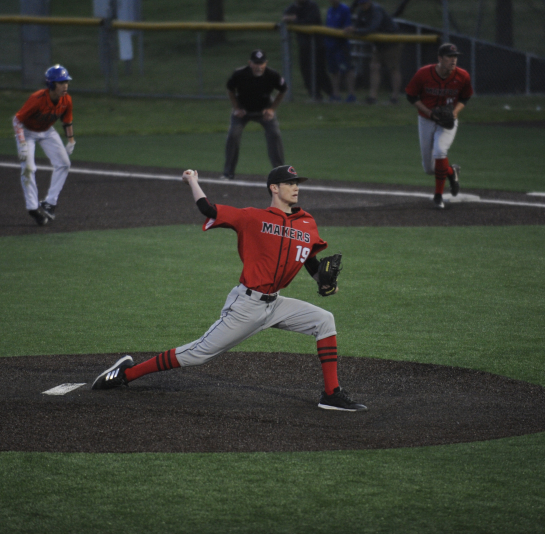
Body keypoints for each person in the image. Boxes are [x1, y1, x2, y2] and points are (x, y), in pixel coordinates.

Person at [91, 165, 368, 412]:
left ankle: (331, 394)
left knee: (324, 320)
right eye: (290, 183)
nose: (296, 187)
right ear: (274, 188)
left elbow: (308, 258)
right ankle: (126, 374)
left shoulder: (307, 222)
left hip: (276, 305)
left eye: (297, 183)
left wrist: (323, 281)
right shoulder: (252, 217)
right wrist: (192, 180)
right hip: (247, 305)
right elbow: (208, 209)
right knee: (198, 354)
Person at [404, 43, 474, 209]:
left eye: (455, 56)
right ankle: (451, 172)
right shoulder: (424, 74)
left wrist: (455, 112)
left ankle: (438, 196)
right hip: (426, 120)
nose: (453, 60)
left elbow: (465, 98)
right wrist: (429, 113)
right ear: (440, 58)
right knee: (429, 169)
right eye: (449, 56)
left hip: (447, 121)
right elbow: (411, 96)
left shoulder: (462, 76)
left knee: (440, 150)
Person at [12, 64, 75, 225]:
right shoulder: (37, 98)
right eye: (61, 82)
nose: (65, 85)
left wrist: (71, 140)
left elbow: (66, 121)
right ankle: (33, 208)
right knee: (28, 168)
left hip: (47, 131)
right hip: (27, 132)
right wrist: (23, 143)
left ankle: (49, 202)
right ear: (51, 84)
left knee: (64, 164)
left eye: (66, 82)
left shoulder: (66, 99)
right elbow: (17, 120)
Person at [221, 49, 288, 181]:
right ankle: (228, 172)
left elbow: (283, 90)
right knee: (233, 134)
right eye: (256, 63)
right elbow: (230, 89)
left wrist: (272, 109)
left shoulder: (272, 74)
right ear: (250, 63)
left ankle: (280, 173)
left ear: (266, 63)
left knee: (274, 134)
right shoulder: (240, 74)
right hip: (243, 111)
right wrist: (236, 108)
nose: (259, 66)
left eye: (261, 63)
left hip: (264, 111)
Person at [345, 0, 402, 105]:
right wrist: (353, 28)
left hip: (391, 42)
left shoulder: (376, 10)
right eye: (361, 4)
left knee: (393, 69)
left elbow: (373, 28)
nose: (363, 5)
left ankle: (395, 97)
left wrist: (355, 31)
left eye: (365, 3)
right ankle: (373, 96)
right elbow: (358, 25)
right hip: (379, 43)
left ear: (369, 1)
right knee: (374, 67)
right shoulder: (361, 11)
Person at [281, 0, 334, 101]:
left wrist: (295, 20)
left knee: (319, 69)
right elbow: (285, 16)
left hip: (317, 44)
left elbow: (310, 20)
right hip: (304, 45)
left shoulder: (312, 5)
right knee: (305, 70)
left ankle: (331, 93)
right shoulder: (293, 7)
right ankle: (315, 94)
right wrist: (291, 18)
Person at [324, 0, 357, 103]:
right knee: (334, 71)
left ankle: (351, 94)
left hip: (341, 45)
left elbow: (348, 26)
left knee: (347, 69)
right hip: (331, 44)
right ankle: (336, 94)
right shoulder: (330, 11)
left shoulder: (344, 9)